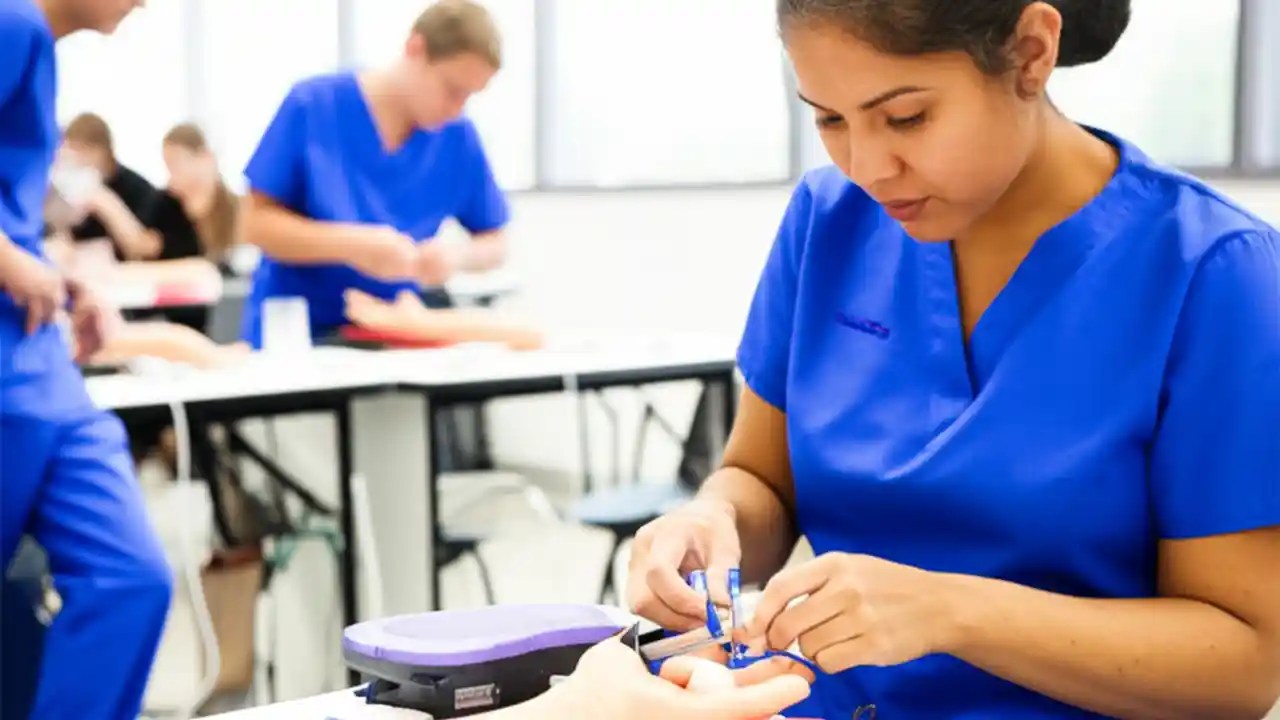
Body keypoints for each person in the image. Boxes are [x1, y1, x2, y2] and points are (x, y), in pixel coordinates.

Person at [627, 1, 1280, 718]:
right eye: (830, 119)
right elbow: (761, 480)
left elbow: (1245, 665)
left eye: (906, 118)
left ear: (1031, 53)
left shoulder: (1210, 271)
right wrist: (714, 521)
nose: (868, 167)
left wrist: (950, 612)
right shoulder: (829, 218)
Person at [0, 2, 173, 720]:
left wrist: (52, 274)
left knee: (130, 577)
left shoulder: (33, 46)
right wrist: (13, 264)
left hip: (40, 369)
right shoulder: (10, 21)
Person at [240, 0, 510, 348]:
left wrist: (457, 256)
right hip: (297, 338)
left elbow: (496, 241)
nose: (457, 108)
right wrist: (351, 245)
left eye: (470, 97)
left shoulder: (457, 138)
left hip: (394, 335)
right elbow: (254, 224)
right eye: (452, 90)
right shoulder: (315, 105)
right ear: (416, 49)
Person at [56, 111, 162, 260]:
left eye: (82, 151)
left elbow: (143, 250)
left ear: (103, 150)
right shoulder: (74, 192)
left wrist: (105, 205)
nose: (78, 159)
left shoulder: (139, 190)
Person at [154, 122, 241, 272]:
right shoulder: (166, 205)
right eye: (168, 166)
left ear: (205, 157)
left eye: (176, 163)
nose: (172, 175)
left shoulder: (237, 208)